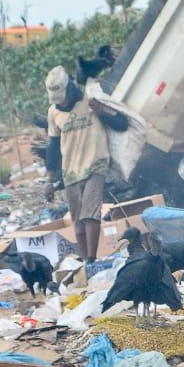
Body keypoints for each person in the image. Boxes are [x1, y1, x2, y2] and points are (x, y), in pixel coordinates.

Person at [44, 65, 128, 265]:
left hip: (96, 164)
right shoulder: (53, 113)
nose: (61, 102)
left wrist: (101, 113)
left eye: (63, 97)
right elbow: (53, 146)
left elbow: (122, 123)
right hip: (71, 171)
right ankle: (85, 261)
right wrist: (49, 180)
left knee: (90, 213)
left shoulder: (90, 101)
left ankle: (91, 258)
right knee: (77, 221)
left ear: (70, 89)